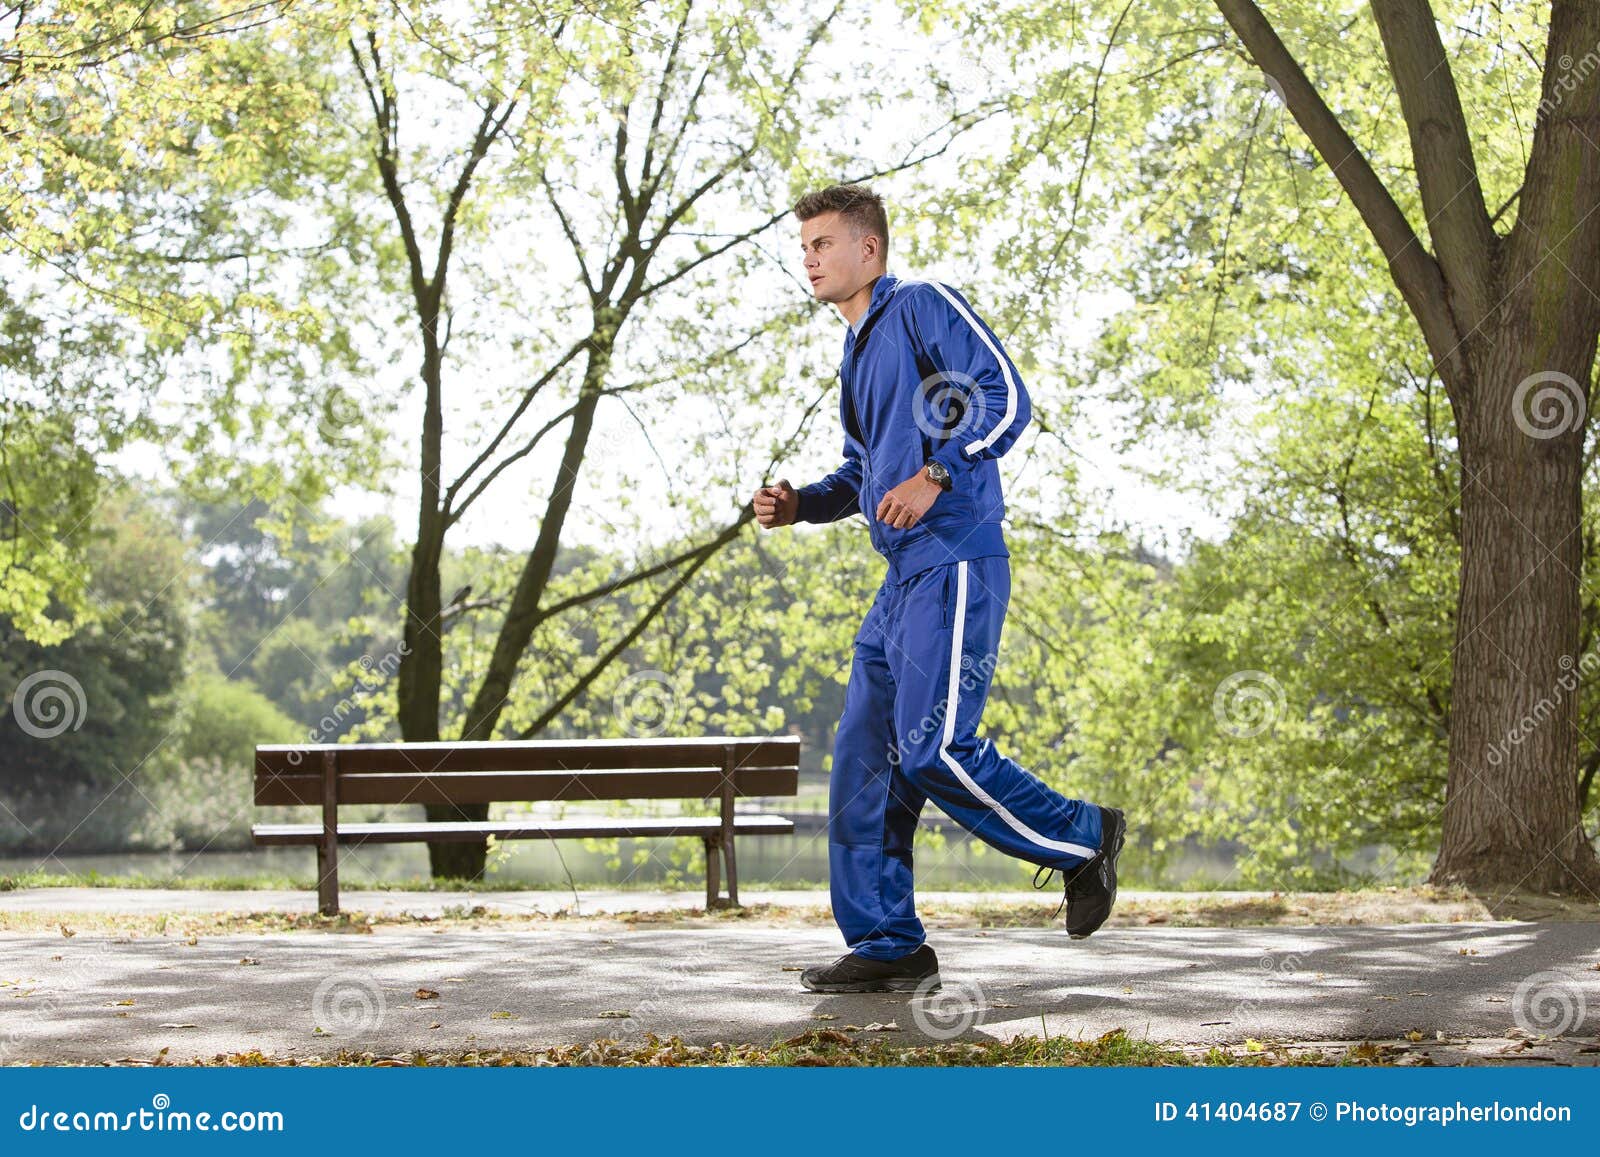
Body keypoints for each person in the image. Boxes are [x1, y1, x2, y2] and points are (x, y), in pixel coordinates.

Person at [751, 183, 1127, 994]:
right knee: (862, 763)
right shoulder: (855, 353)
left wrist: (934, 472)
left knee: (933, 749)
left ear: (869, 250)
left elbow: (1005, 400)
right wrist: (803, 505)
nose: (808, 258)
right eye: (804, 247)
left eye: (822, 244)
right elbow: (860, 473)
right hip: (901, 579)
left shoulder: (921, 306)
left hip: (955, 555)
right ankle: (888, 941)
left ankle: (1085, 836)